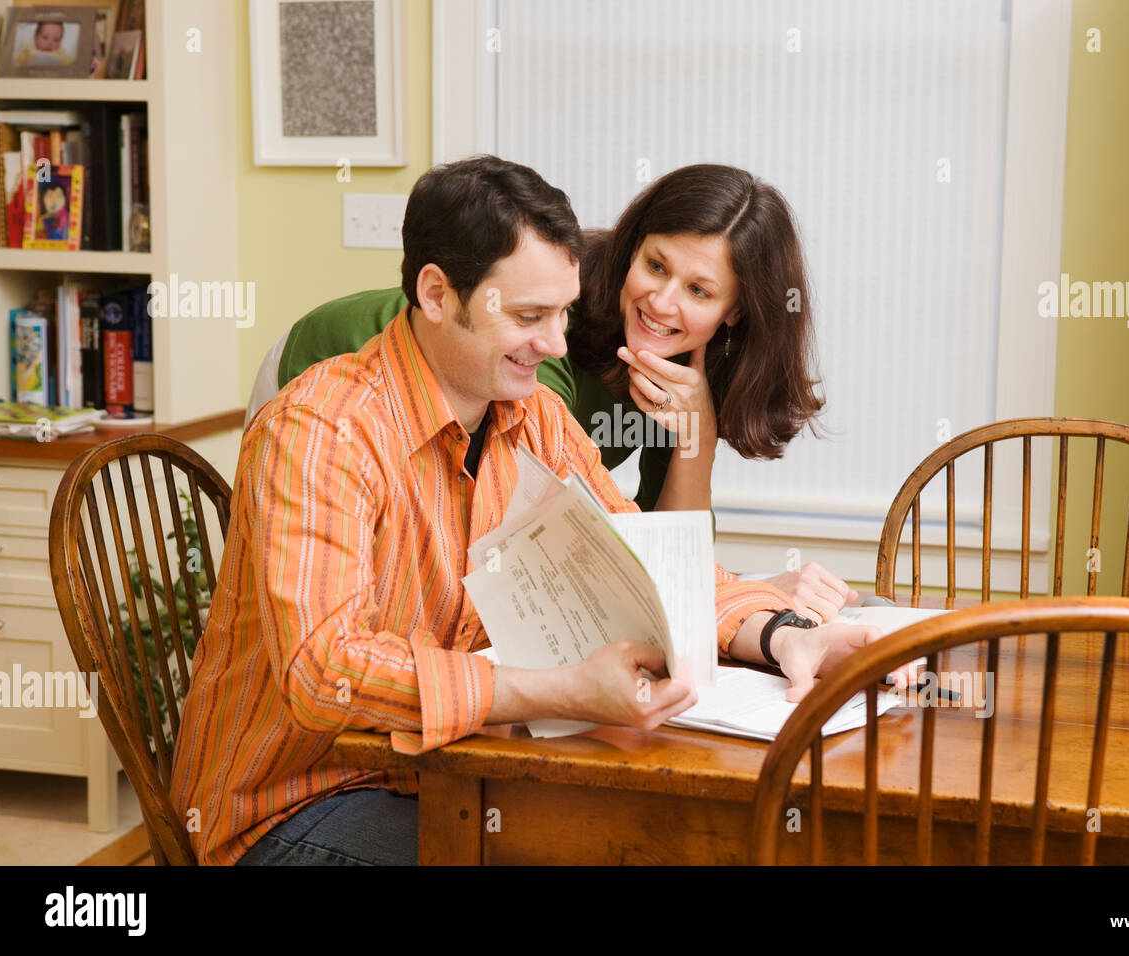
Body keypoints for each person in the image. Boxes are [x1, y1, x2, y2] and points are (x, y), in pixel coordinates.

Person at [172, 156, 910, 866]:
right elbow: (324, 670)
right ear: (436, 295)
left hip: (446, 770)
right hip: (296, 803)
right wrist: (561, 690)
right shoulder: (321, 432)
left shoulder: (534, 417)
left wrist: (782, 633)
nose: (557, 343)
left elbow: (643, 557)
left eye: (562, 312)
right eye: (529, 315)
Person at [258, 164, 856, 623]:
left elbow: (662, 546)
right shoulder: (551, 340)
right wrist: (745, 592)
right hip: (326, 353)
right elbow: (554, 535)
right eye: (655, 265)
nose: (662, 301)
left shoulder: (683, 371)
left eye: (699, 291)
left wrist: (696, 439)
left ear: (735, 314)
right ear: (633, 246)